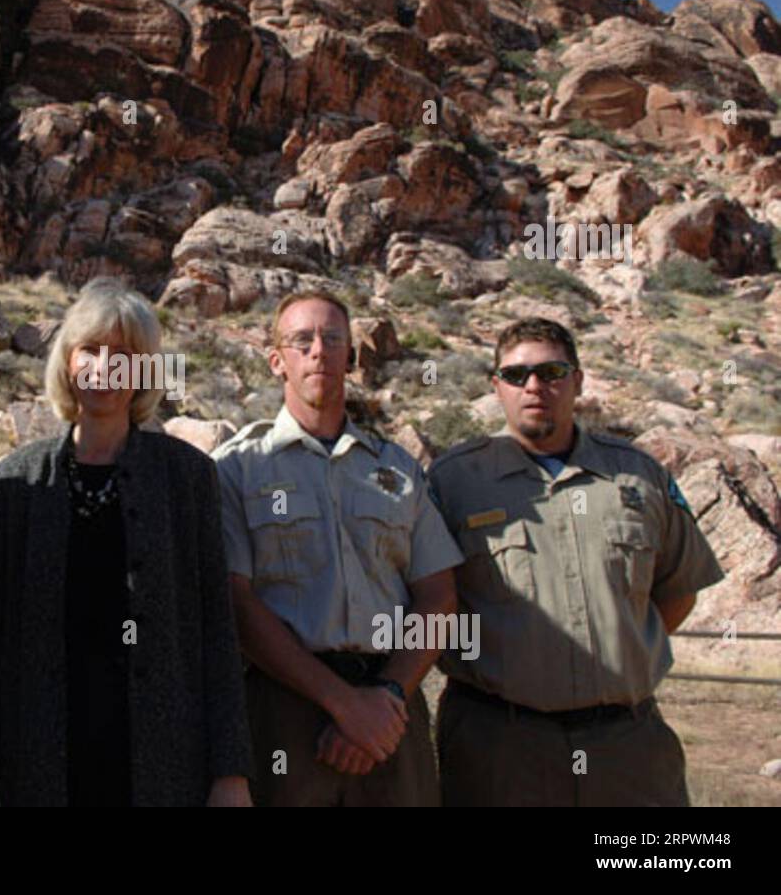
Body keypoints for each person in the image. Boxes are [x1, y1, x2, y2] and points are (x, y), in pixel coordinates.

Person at [0, 278, 252, 806]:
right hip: (40, 765)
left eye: (122, 355)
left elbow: (216, 628)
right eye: (89, 351)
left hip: (165, 767)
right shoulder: (17, 482)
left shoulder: (187, 477)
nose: (103, 368)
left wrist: (230, 773)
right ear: (67, 363)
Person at [427, 317, 724, 806]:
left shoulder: (638, 475)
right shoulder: (453, 482)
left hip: (626, 750)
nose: (535, 386)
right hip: (500, 747)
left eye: (552, 371)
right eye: (517, 375)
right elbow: (430, 600)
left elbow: (677, 592)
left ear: (579, 380)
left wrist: (611, 655)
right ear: (496, 387)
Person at [212, 290, 462, 806]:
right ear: (277, 360)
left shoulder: (397, 469)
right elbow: (236, 603)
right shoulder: (237, 469)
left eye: (332, 339)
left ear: (351, 355)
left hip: (395, 712)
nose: (318, 351)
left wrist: (388, 695)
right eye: (301, 340)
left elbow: (438, 597)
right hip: (287, 712)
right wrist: (344, 704)